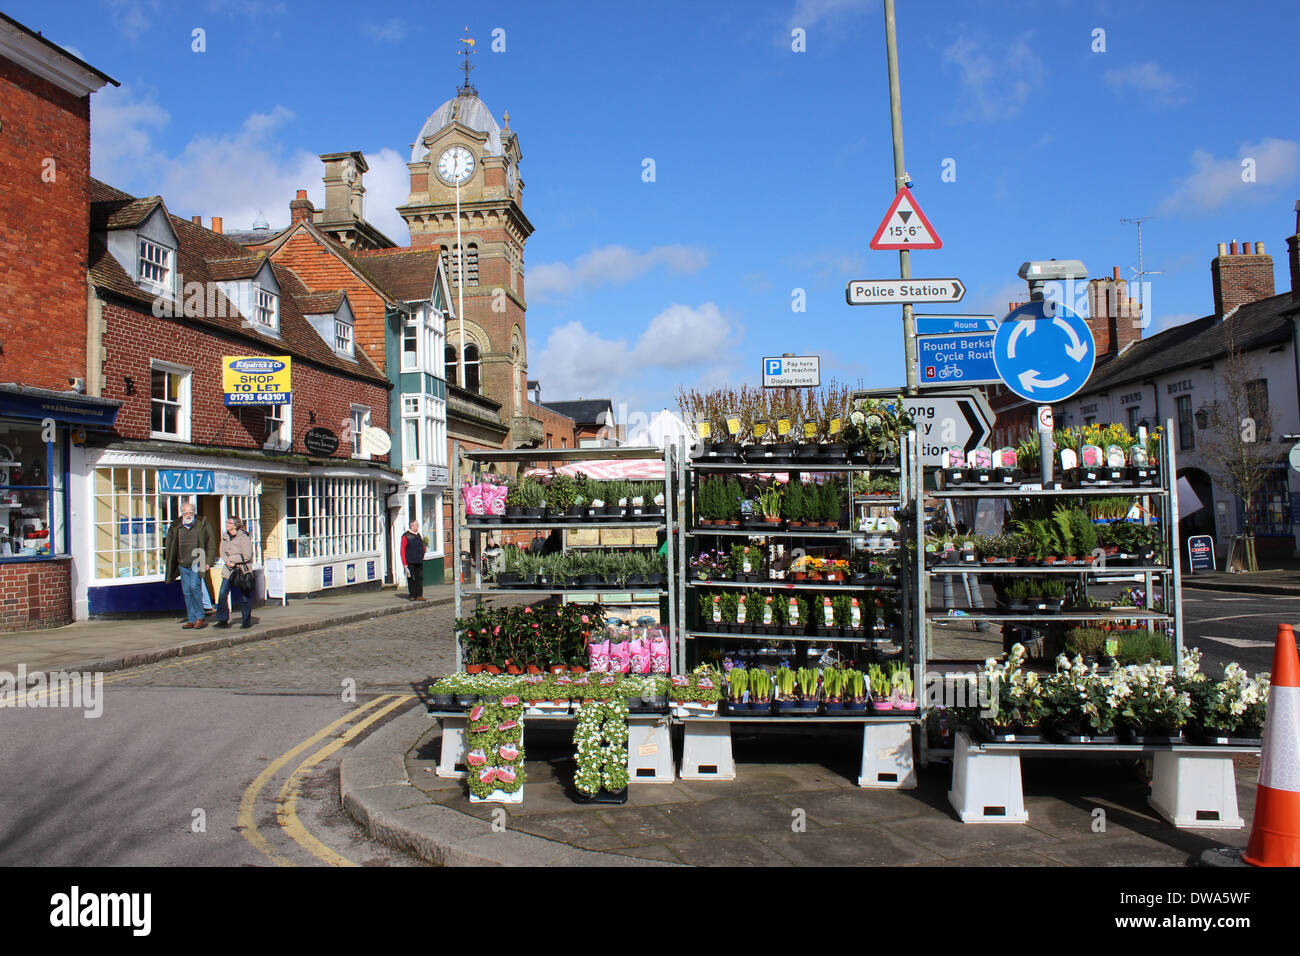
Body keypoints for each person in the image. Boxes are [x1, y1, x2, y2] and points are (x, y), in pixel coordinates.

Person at [164, 500, 216, 630]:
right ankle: (191, 618)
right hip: (182, 564)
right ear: (182, 513)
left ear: (194, 513)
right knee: (187, 591)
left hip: (197, 563)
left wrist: (208, 562)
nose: (188, 515)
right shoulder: (176, 526)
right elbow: (170, 545)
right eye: (185, 513)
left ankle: (200, 617)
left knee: (195, 588)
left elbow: (211, 544)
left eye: (190, 512)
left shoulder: (202, 524)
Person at [214, 515, 254, 629]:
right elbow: (222, 551)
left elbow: (247, 556)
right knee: (222, 594)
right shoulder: (225, 536)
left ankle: (246, 620)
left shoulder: (244, 537)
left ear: (235, 525)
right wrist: (227, 561)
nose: (227, 524)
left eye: (229, 523)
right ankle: (222, 619)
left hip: (242, 569)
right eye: (227, 522)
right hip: (228, 569)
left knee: (244, 596)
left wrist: (233, 560)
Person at [400, 520, 426, 601]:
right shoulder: (406, 536)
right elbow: (402, 550)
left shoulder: (418, 535)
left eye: (417, 525)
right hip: (410, 561)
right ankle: (412, 595)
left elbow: (422, 546)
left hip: (419, 560)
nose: (417, 527)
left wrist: (423, 553)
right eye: (415, 525)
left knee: (419, 578)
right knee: (411, 578)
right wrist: (404, 564)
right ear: (411, 526)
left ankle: (419, 595)